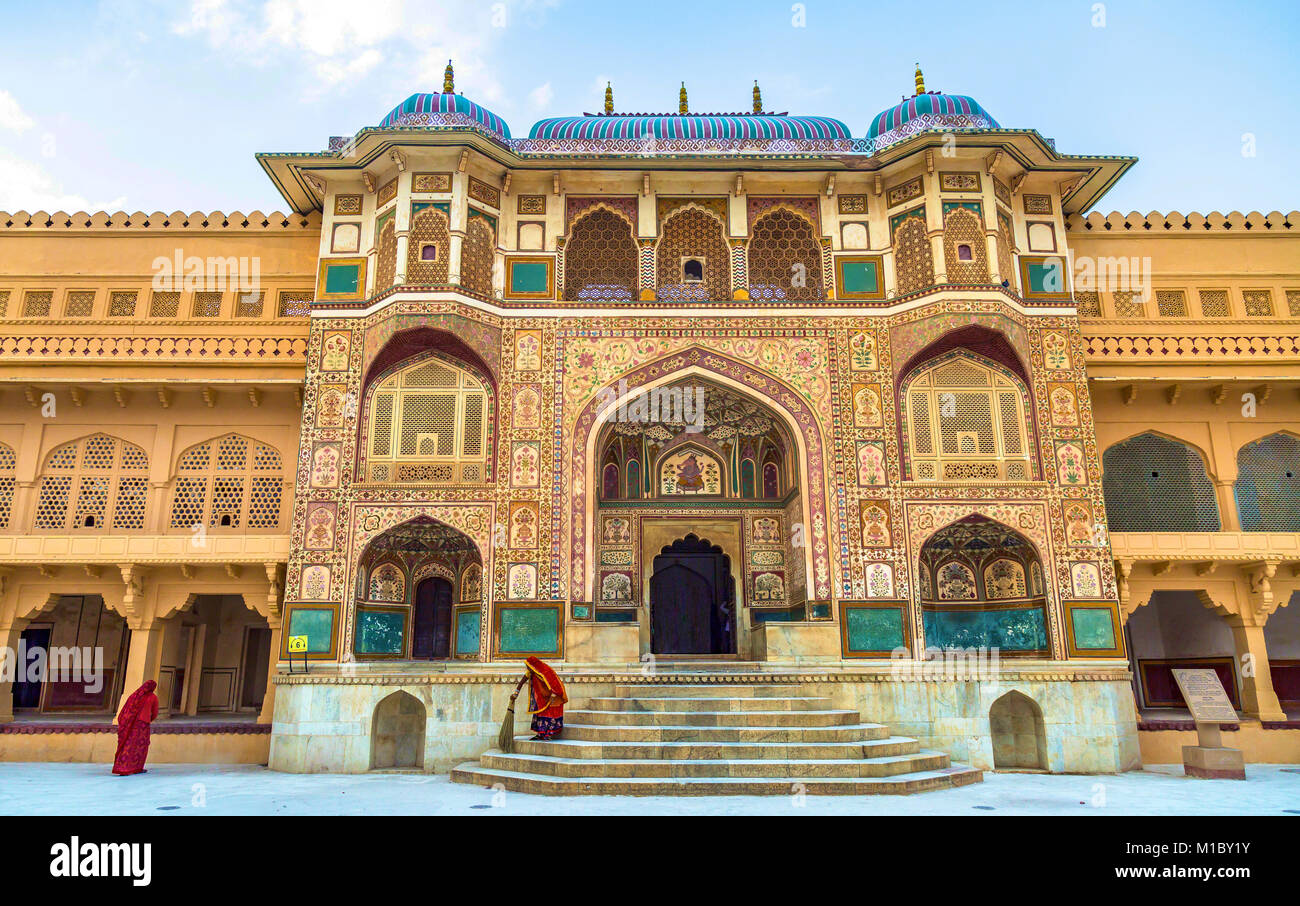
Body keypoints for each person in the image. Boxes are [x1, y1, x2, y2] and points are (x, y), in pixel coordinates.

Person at [511, 656, 567, 740]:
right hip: (541, 698)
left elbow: (555, 684)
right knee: (539, 714)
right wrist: (516, 693)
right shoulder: (531, 672)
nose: (527, 668)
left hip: (553, 696)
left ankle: (547, 734)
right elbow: (522, 682)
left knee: (548, 714)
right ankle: (540, 734)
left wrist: (553, 695)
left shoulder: (545, 671)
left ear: (533, 666)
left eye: (528, 667)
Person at [112, 680, 159, 775]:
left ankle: (122, 767)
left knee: (127, 745)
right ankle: (136, 768)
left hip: (130, 724)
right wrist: (148, 719)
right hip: (143, 725)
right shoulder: (153, 697)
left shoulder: (135, 695)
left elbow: (125, 710)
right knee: (140, 747)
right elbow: (154, 713)